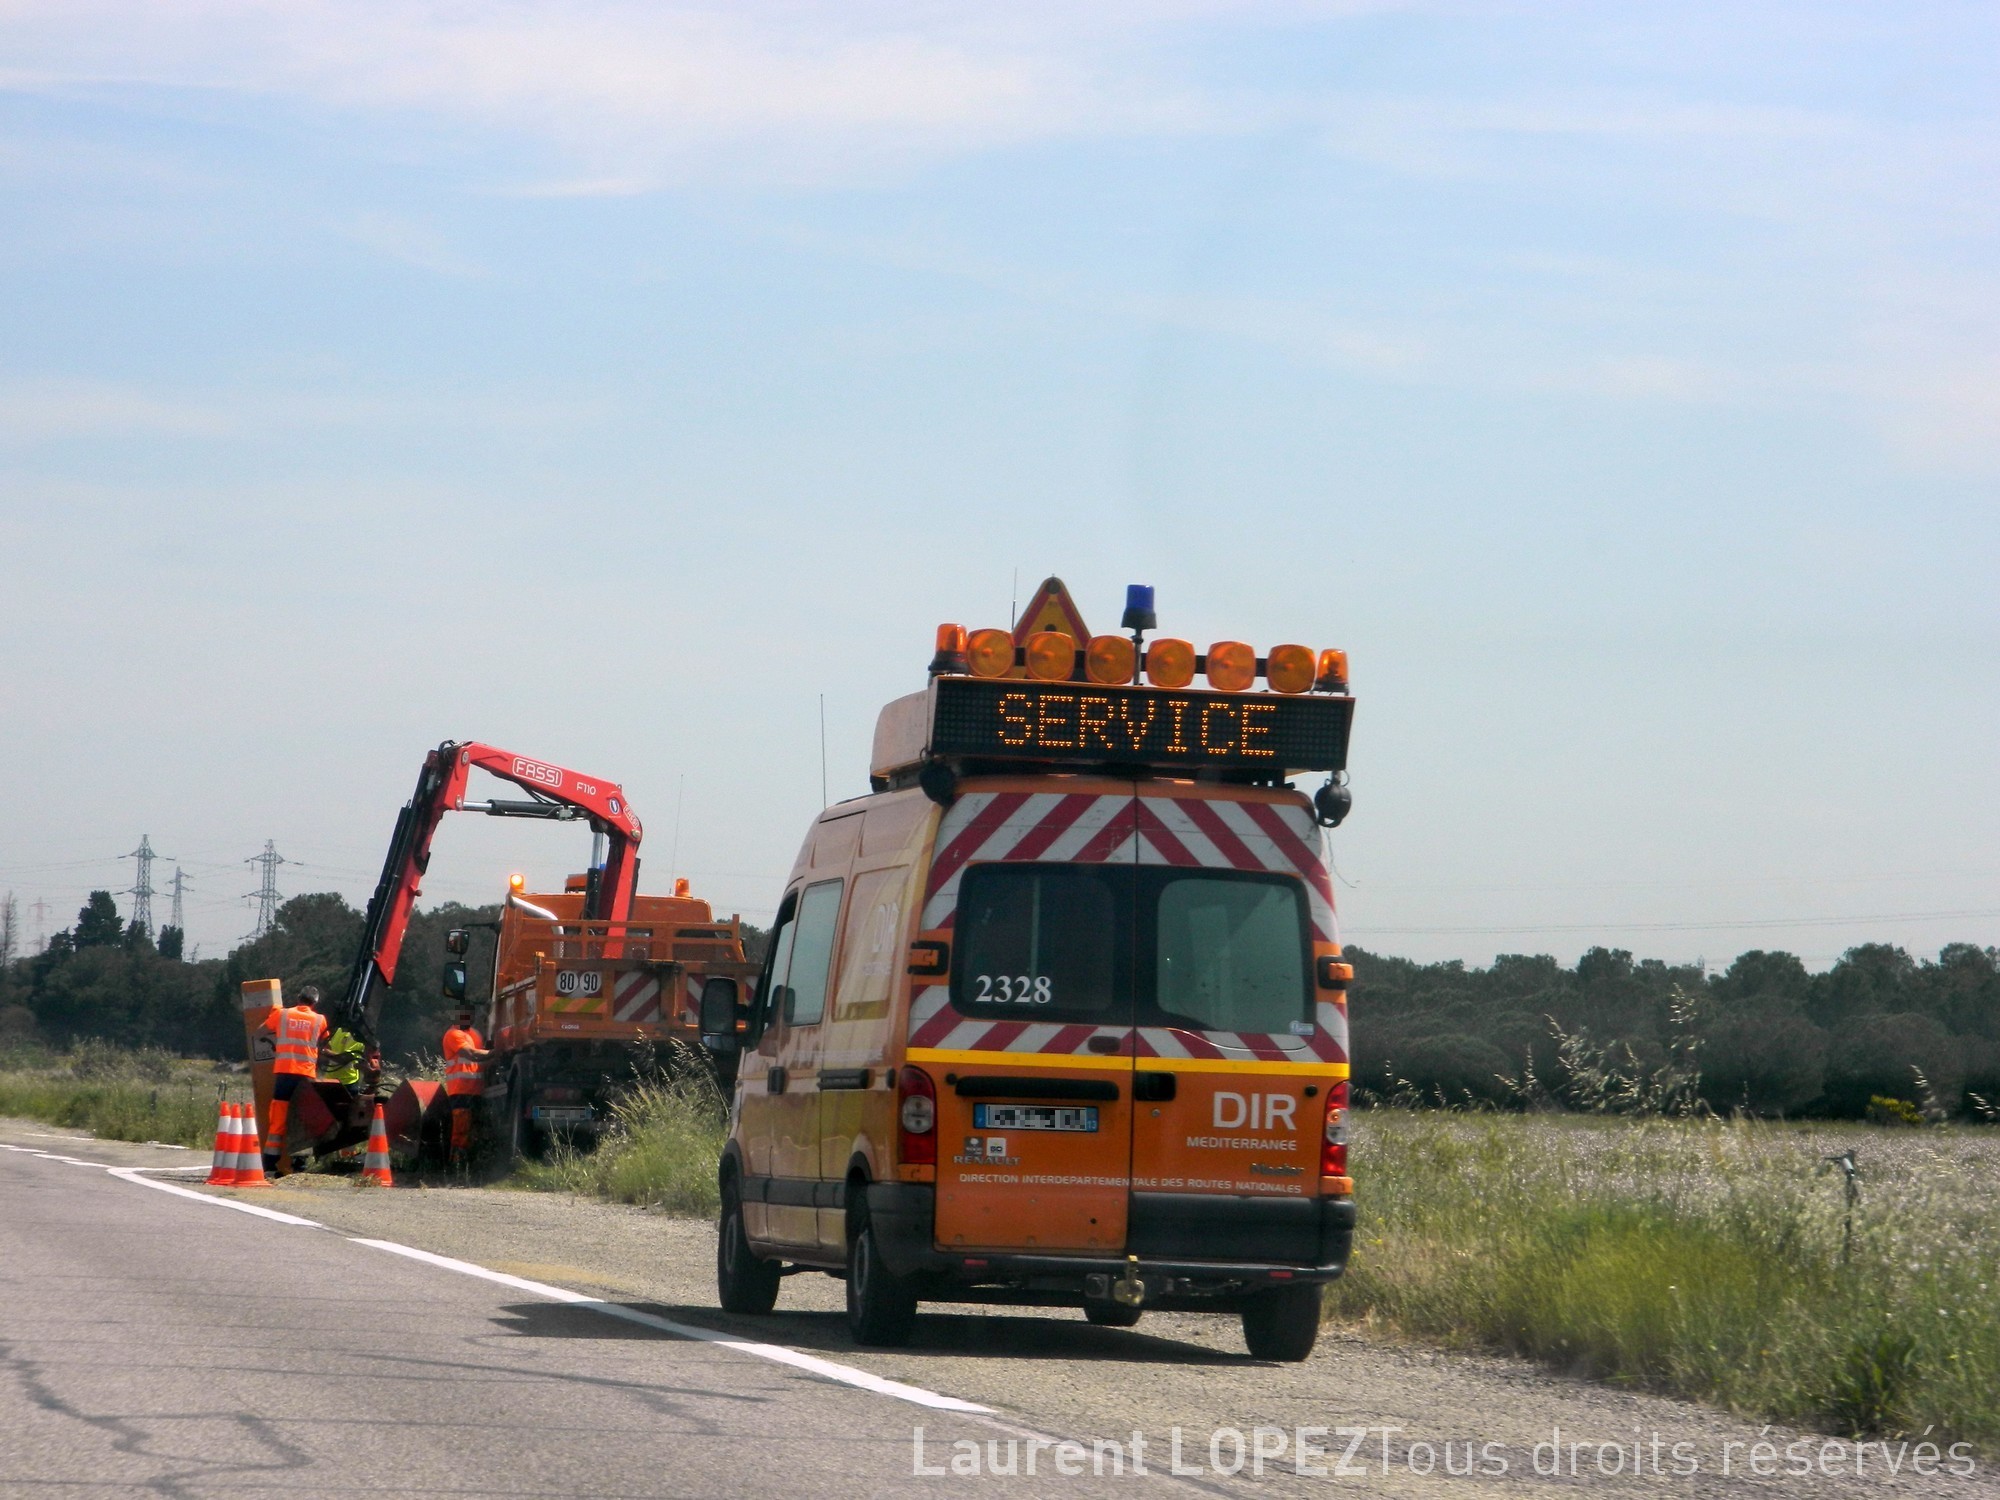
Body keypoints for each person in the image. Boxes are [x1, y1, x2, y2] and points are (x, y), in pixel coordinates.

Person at [260, 984, 329, 1175]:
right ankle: (300, 1165)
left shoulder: (282, 1014)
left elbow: (260, 1031)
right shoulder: (320, 1020)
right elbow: (325, 1042)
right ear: (315, 1003)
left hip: (284, 1075)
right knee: (301, 1119)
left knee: (278, 1118)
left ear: (298, 998)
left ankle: (270, 1166)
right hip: (305, 1077)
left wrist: (274, 1013)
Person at [441, 1008, 491, 1169]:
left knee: (476, 1128)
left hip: (477, 1090)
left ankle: (471, 1161)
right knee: (461, 1128)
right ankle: (457, 1162)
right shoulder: (453, 1034)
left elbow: (480, 1058)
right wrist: (495, 1052)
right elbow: (471, 1053)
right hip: (460, 1090)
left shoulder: (475, 1034)